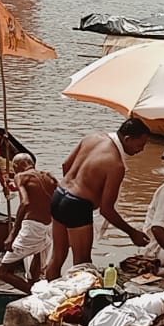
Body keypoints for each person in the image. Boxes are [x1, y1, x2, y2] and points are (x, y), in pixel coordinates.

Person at [44, 118, 151, 280]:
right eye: (140, 145)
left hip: (59, 195)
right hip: (77, 206)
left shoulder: (92, 138)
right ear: (128, 139)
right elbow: (107, 210)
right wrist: (132, 232)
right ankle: (73, 303)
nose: (141, 150)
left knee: (57, 258)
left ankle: (47, 295)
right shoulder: (116, 165)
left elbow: (66, 165)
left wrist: (77, 187)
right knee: (82, 264)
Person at [0, 154, 56, 291]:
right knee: (38, 252)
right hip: (49, 226)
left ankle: (33, 293)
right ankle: (35, 286)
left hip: (32, 227)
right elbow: (60, 198)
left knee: (1, 272)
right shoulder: (49, 176)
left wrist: (12, 235)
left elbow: (25, 202)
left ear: (17, 166)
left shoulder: (21, 176)